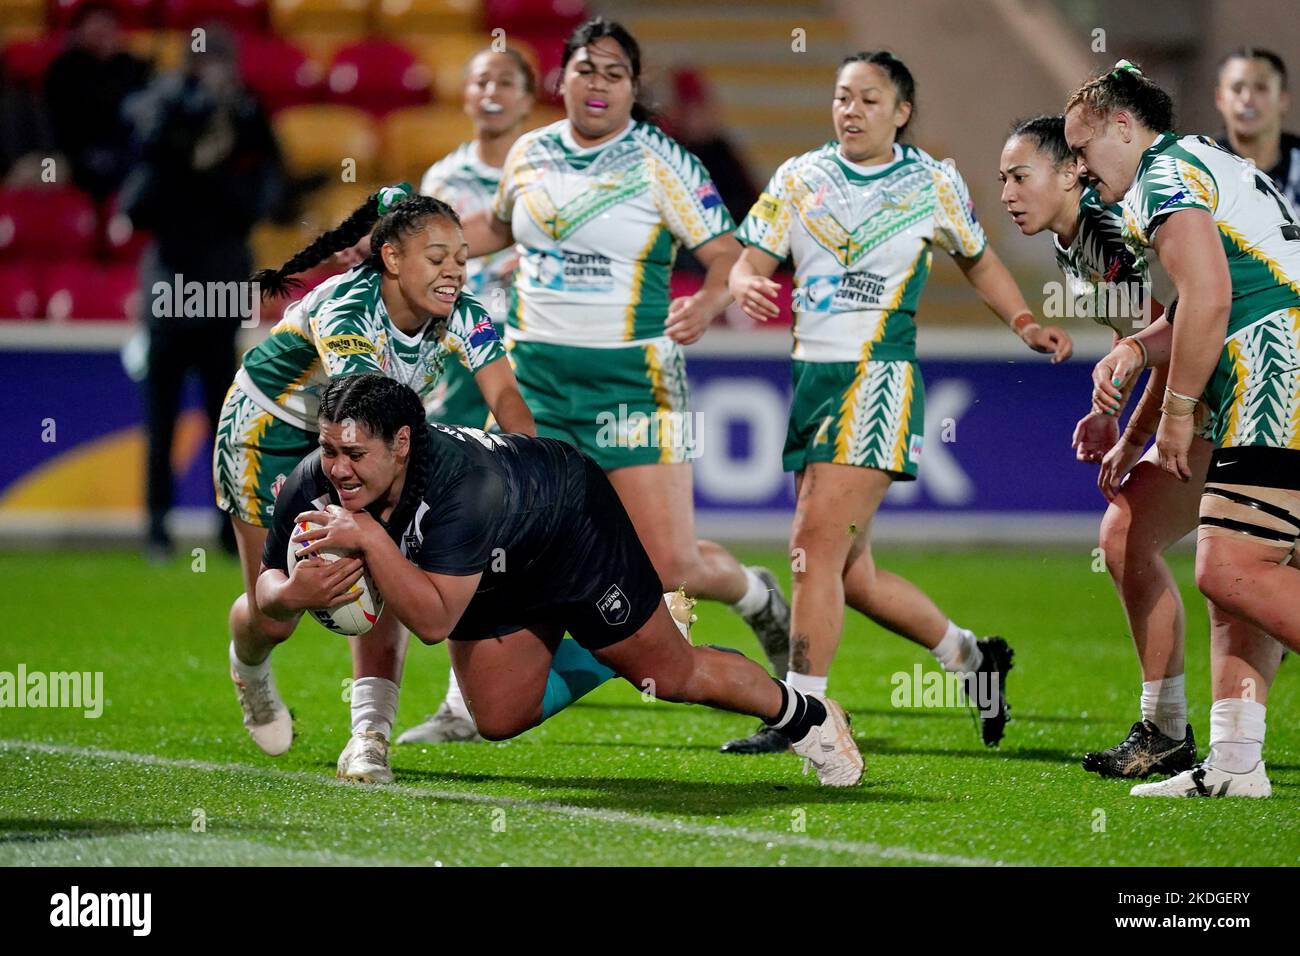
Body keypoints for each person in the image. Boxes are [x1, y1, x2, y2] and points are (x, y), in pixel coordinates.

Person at [259, 373, 865, 788]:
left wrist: (366, 539)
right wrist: (291, 594)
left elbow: (433, 621)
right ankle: (612, 650)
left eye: (355, 455)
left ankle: (808, 719)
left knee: (673, 675)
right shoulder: (320, 476)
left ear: (402, 443)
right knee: (497, 719)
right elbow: (263, 588)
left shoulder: (462, 486)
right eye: (330, 449)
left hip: (569, 526)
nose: (337, 468)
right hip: (488, 564)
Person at [459, 17, 794, 754]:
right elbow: (497, 226)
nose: (598, 84)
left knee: (668, 566)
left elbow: (725, 251)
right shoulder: (531, 153)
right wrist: (420, 237)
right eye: (585, 69)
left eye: (614, 73)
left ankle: (753, 593)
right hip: (534, 382)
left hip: (631, 381)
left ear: (633, 89)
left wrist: (709, 303)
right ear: (562, 80)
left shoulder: (662, 160)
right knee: (521, 548)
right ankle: (492, 688)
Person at [727, 51, 1075, 753]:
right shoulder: (800, 178)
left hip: (877, 381)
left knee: (810, 549)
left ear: (901, 112)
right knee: (851, 574)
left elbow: (977, 258)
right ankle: (972, 658)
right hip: (812, 381)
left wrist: (1025, 322)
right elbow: (751, 258)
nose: (850, 110)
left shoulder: (932, 182)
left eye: (868, 99)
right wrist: (741, 282)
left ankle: (806, 716)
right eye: (842, 97)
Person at [215, 186, 533, 783]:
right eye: (436, 258)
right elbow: (364, 417)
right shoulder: (346, 313)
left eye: (462, 258)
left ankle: (368, 738)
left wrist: (521, 472)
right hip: (266, 438)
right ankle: (250, 667)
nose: (454, 272)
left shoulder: (464, 314)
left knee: (377, 552)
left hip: (358, 439)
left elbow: (508, 398)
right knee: (275, 611)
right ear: (391, 260)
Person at [1065, 59, 1300, 797]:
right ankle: (1235, 762)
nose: (1077, 169)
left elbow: (1211, 294)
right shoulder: (1193, 161)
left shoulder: (1161, 178)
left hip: (1274, 366)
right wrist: (1138, 350)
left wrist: (1172, 413)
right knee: (1240, 572)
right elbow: (1200, 300)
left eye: (1081, 150)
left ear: (1125, 129)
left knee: (1228, 569)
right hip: (1268, 362)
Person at [999, 115, 1211, 777]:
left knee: (1165, 547)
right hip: (1227, 389)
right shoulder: (1079, 240)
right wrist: (1114, 421)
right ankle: (1174, 731)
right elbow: (1154, 344)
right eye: (1002, 178)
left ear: (1069, 172)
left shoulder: (1104, 231)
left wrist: (1133, 436)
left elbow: (1173, 340)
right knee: (1232, 569)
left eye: (1019, 175)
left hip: (1244, 388)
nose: (1006, 192)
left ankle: (1167, 731)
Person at [400, 46, 537, 744]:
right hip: (461, 364)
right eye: (479, 79)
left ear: (527, 97)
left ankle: (736, 596)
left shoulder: (542, 167)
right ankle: (462, 701)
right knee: (466, 523)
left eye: (504, 82)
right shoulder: (444, 177)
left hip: (537, 360)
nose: (489, 91)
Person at [121, 26, 283, 561]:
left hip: (221, 276)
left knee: (226, 413)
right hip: (171, 275)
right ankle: (156, 529)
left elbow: (269, 187)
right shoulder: (164, 111)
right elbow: (140, 191)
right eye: (201, 66)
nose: (211, 77)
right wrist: (183, 124)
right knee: (161, 411)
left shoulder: (246, 116)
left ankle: (224, 531)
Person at [44, 0, 151, 201]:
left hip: (125, 157)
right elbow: (66, 118)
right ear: (79, 30)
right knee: (42, 176)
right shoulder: (63, 68)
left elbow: (141, 116)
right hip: (66, 157)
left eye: (107, 23)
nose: (101, 29)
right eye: (94, 22)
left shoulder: (133, 67)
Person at [1214, 48, 1300, 213]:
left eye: (1261, 88)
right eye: (1237, 88)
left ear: (1283, 98)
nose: (1247, 99)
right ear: (1220, 98)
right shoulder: (1198, 168)